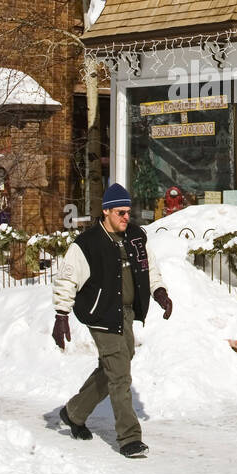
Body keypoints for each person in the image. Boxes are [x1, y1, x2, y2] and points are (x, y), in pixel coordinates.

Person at [51, 183, 172, 457]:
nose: (126, 217)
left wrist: (160, 292)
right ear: (106, 211)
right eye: (120, 212)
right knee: (119, 374)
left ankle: (74, 412)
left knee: (116, 363)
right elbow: (67, 280)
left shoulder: (135, 237)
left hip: (126, 313)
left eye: (128, 212)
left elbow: (149, 268)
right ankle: (129, 437)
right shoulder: (87, 244)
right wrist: (61, 315)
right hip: (101, 313)